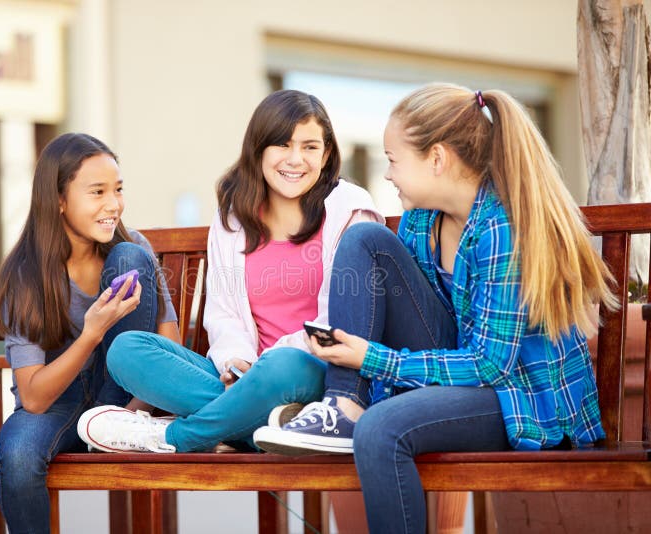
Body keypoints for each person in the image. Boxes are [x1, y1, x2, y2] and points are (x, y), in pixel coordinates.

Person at [253, 83, 617, 533]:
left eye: (393, 159)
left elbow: (490, 365)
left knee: (382, 430)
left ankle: (357, 416)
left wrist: (372, 360)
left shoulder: (503, 229)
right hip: (460, 370)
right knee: (365, 239)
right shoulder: (422, 218)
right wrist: (368, 371)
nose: (386, 174)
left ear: (437, 159)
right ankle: (343, 404)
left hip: (518, 396)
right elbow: (409, 328)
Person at [75, 89, 384, 454]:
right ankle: (259, 424)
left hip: (313, 373)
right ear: (259, 149)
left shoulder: (350, 210)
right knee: (127, 350)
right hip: (239, 378)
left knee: (283, 365)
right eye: (282, 145)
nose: (296, 159)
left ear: (327, 153)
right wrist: (236, 361)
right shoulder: (233, 218)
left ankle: (174, 437)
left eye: (310, 147)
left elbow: (339, 323)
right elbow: (222, 312)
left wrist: (263, 368)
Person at [0, 132, 179, 533]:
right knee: (17, 456)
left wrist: (125, 417)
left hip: (125, 397)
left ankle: (122, 420)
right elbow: (35, 398)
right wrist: (92, 331)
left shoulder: (133, 248)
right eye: (97, 192)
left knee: (130, 255)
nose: (114, 205)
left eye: (118, 190)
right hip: (58, 398)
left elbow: (169, 348)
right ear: (58, 200)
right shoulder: (27, 275)